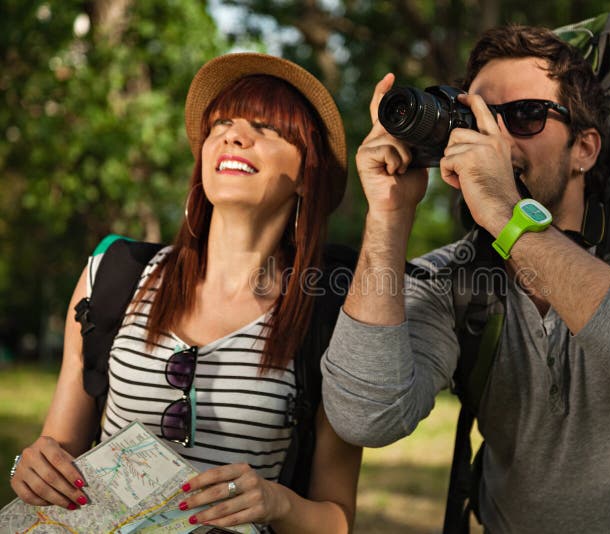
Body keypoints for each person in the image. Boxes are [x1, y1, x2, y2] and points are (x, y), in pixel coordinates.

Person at [321, 24, 610, 533]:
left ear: (584, 149)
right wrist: (387, 216)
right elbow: (364, 416)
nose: (494, 139)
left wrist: (507, 213)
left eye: (524, 116)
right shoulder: (453, 279)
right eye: (477, 119)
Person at [10, 53, 361, 532]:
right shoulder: (111, 275)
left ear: (306, 175)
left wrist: (278, 502)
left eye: (267, 127)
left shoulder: (330, 314)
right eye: (222, 122)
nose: (234, 135)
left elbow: (337, 519)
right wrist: (29, 468)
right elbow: (59, 450)